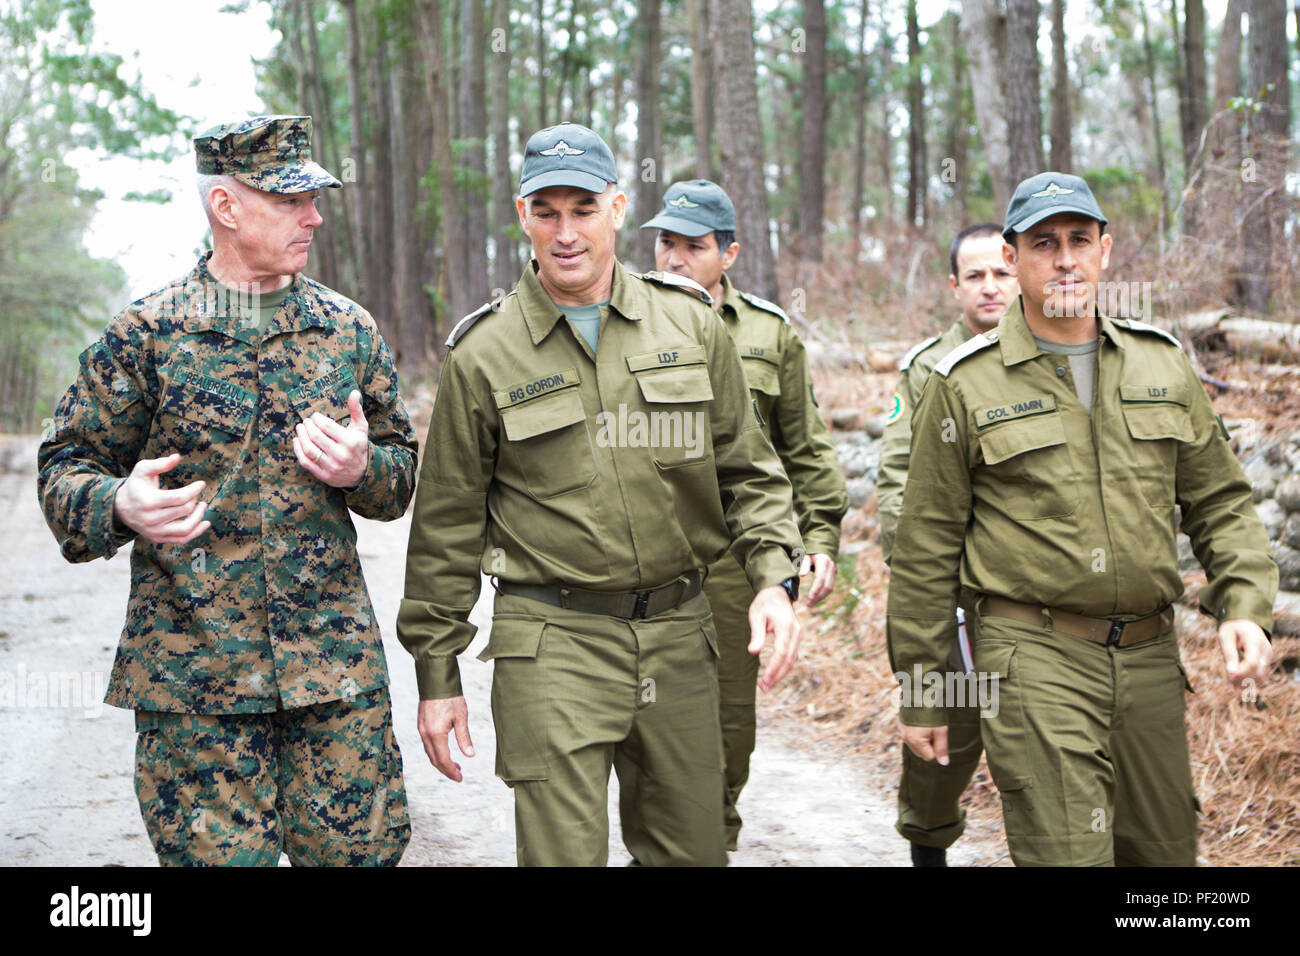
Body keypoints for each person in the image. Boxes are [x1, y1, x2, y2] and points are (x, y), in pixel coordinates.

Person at [397, 123, 805, 867]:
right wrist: (437, 674)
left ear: (618, 208)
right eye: (546, 211)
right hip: (553, 640)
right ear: (521, 214)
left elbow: (748, 468)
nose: (565, 231)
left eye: (583, 208)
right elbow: (446, 525)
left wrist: (775, 579)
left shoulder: (688, 323)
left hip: (680, 637)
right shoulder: (482, 353)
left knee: (693, 853)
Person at [37, 115, 418, 866]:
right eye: (289, 201)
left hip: (332, 680)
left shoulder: (347, 331)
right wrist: (118, 504)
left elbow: (399, 475)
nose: (313, 217)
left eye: (314, 199)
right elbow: (63, 467)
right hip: (195, 684)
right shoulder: (146, 335)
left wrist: (361, 469)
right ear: (227, 207)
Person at [886, 171, 1276, 866]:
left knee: (1162, 860)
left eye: (1078, 240)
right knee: (1068, 852)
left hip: (1152, 659)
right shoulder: (964, 382)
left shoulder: (1161, 366)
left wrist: (1244, 603)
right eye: (1044, 243)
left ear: (1106, 250)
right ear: (1013, 258)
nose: (1064, 258)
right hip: (1032, 654)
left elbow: (1219, 500)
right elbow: (925, 548)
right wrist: (923, 686)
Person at [639, 179, 847, 851]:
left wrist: (817, 536)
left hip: (737, 562)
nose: (673, 259)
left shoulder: (769, 334)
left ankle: (713, 839)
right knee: (646, 726)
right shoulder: (624, 316)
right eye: (664, 243)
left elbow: (804, 447)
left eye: (692, 247)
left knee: (730, 726)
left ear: (728, 253)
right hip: (647, 555)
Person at [875, 222, 1018, 866]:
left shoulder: (1058, 358)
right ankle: (928, 846)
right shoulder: (928, 369)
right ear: (954, 286)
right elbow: (897, 488)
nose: (991, 287)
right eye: (976, 276)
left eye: (1002, 272)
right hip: (954, 602)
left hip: (1028, 601)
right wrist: (938, 577)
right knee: (942, 748)